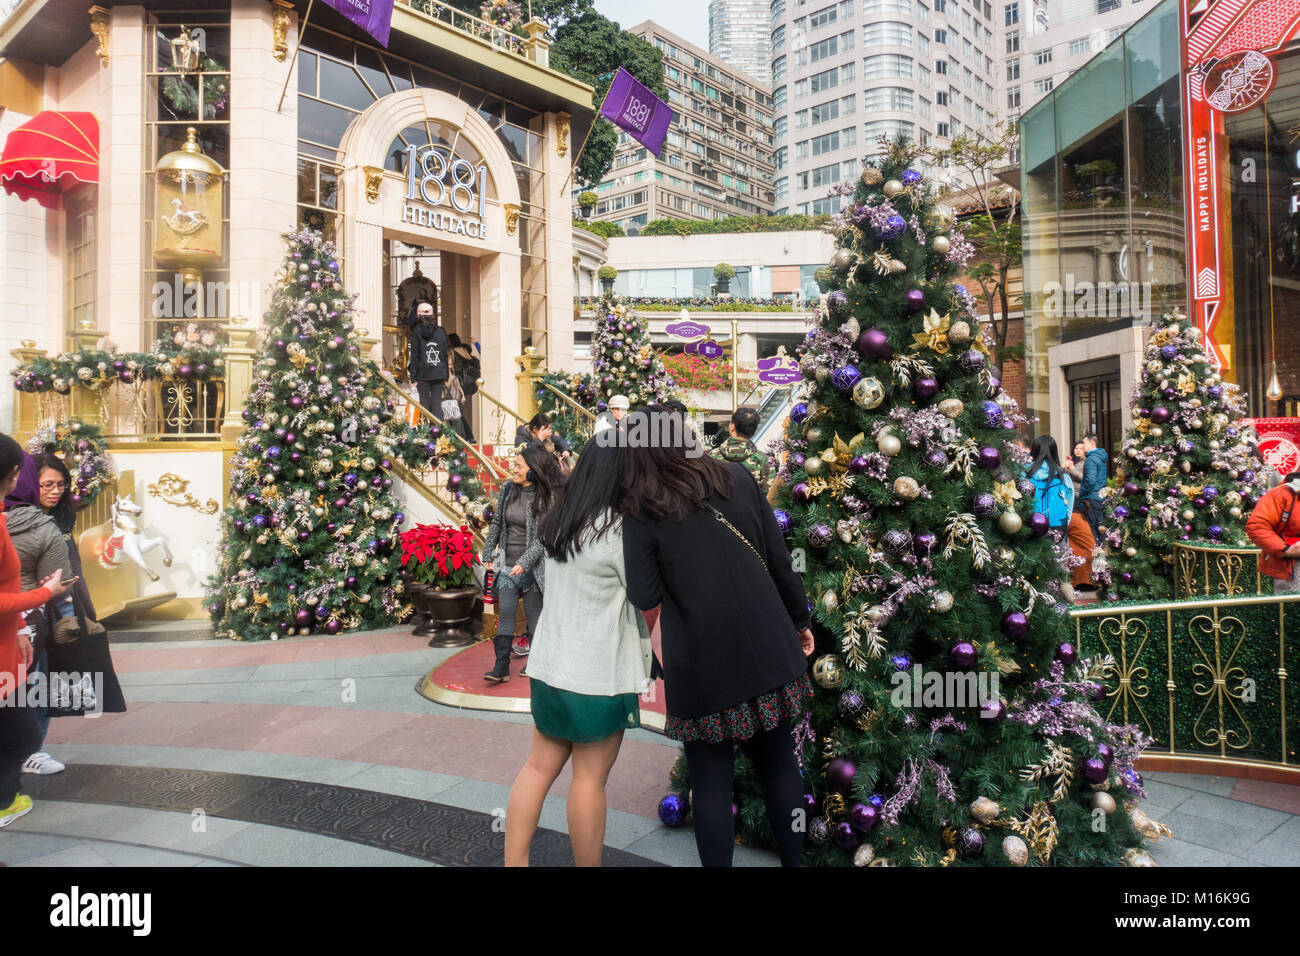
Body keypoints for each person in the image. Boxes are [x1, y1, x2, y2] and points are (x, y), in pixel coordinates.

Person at [621, 405, 815, 867]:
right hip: (767, 646)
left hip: (702, 664)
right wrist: (800, 621)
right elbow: (779, 558)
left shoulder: (642, 508)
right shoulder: (738, 478)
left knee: (709, 784)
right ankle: (796, 860)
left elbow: (644, 592)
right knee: (781, 768)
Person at [504, 440, 650, 866]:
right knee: (589, 779)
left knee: (536, 769)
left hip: (550, 664)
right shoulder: (619, 529)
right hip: (596, 674)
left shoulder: (559, 520)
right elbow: (644, 592)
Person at [0, 432, 75, 828]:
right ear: (17, 476)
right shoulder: (40, 527)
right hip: (19, 631)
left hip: (13, 634)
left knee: (19, 724)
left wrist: (18, 629)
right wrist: (46, 596)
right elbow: (56, 579)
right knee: (24, 728)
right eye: (45, 482)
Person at [482, 442, 564, 677]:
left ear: (533, 470)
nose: (514, 469)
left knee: (534, 616)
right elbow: (497, 523)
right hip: (508, 566)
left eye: (519, 466)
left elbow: (545, 536)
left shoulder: (547, 496)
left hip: (535, 567)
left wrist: (525, 563)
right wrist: (488, 553)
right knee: (506, 612)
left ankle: (537, 662)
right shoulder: (508, 491)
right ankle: (501, 666)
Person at [1245, 471, 1300, 593]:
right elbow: (1257, 526)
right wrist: (1285, 549)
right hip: (1293, 566)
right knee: (1292, 609)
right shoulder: (1282, 493)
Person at [405, 298, 450, 423]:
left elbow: (415, 355)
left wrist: (413, 377)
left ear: (419, 316)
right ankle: (439, 434)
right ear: (432, 315)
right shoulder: (441, 331)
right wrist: (446, 375)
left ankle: (427, 435)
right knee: (437, 404)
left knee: (424, 404)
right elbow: (444, 355)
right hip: (439, 372)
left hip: (423, 373)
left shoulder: (416, 332)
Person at [710, 407, 772, 494]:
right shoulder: (764, 460)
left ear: (732, 427)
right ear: (753, 431)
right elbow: (768, 497)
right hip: (750, 507)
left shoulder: (712, 456)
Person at [1027, 435, 1075, 531]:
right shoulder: (1062, 475)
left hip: (1032, 524)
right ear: (1054, 452)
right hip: (1058, 524)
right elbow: (1069, 501)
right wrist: (1066, 523)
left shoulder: (1025, 473)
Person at [447, 333, 478, 442]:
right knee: (458, 411)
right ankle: (468, 437)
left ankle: (465, 437)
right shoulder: (464, 351)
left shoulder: (453, 353)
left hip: (456, 386)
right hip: (464, 387)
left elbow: (454, 370)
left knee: (456, 412)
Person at [1079, 433, 1108, 539]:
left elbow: (1090, 481)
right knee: (1099, 527)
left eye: (1084, 443)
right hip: (1100, 496)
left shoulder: (1091, 459)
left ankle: (1096, 553)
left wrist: (1083, 492)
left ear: (1092, 444)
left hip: (1092, 497)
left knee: (1093, 530)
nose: (1082, 445)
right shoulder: (1101, 457)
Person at [1067, 496, 1098, 594]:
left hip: (1083, 561)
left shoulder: (1071, 518)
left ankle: (1077, 580)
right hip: (1092, 560)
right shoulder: (1080, 517)